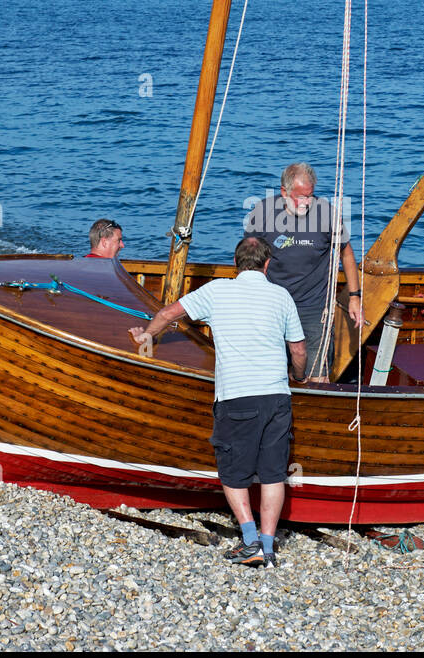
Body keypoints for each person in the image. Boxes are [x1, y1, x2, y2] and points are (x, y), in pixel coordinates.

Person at [129, 237, 306, 568]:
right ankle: (267, 546)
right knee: (272, 474)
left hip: (238, 396)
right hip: (277, 397)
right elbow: (298, 350)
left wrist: (148, 336)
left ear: (235, 264)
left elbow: (169, 313)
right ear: (267, 265)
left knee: (233, 474)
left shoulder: (216, 291)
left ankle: (250, 541)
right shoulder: (281, 296)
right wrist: (299, 377)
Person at [244, 163, 363, 382]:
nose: (306, 202)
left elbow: (346, 254)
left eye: (310, 196)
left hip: (314, 308)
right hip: (273, 305)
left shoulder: (326, 213)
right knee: (267, 373)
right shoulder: (263, 212)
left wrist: (355, 298)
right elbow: (249, 258)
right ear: (284, 192)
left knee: (318, 378)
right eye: (300, 197)